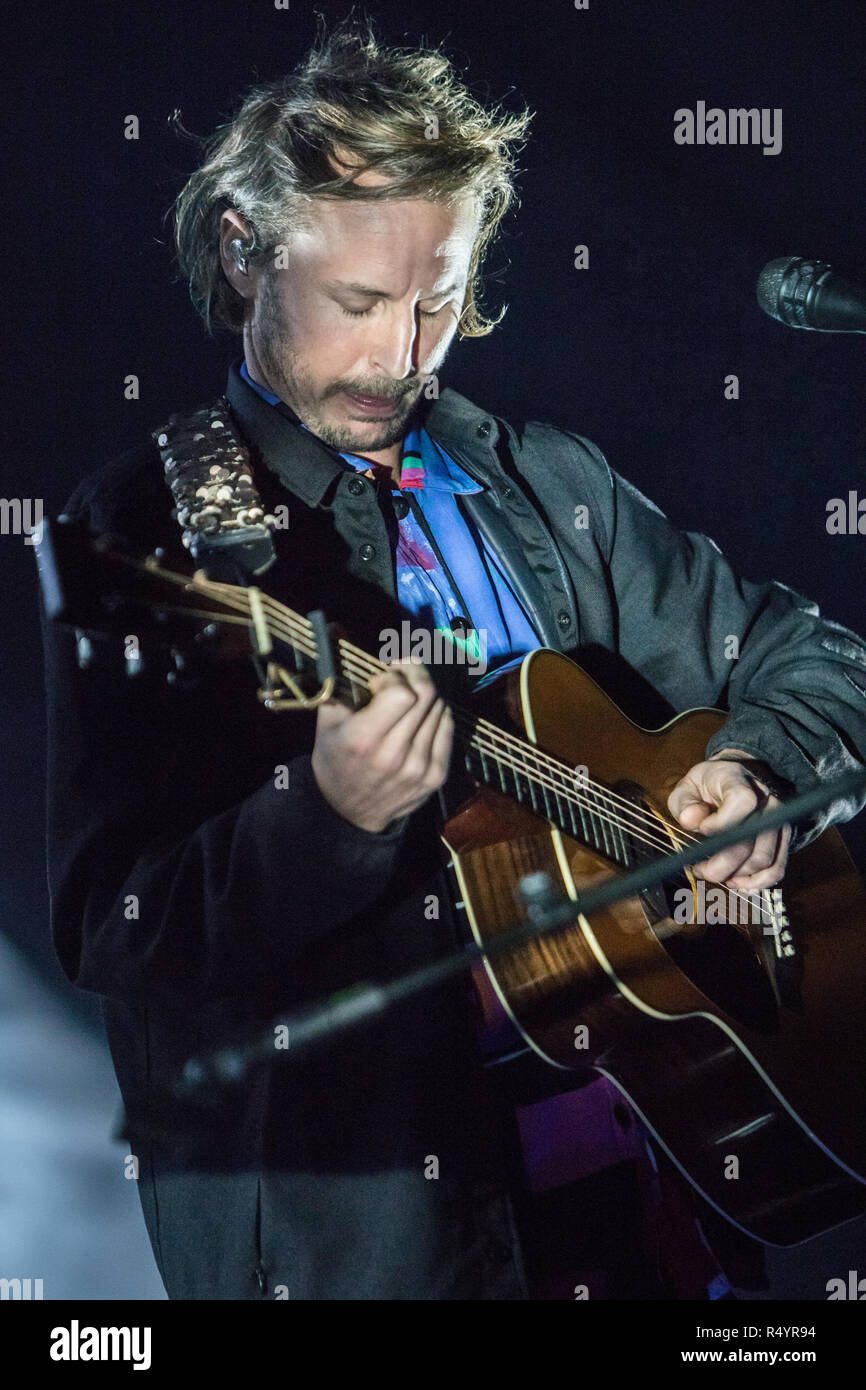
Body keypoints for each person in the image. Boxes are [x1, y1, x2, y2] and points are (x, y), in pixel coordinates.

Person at [41, 22, 866, 1300]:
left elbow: (811, 653)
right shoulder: (143, 530)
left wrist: (759, 764)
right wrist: (325, 818)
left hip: (656, 1198)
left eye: (438, 300)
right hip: (371, 1250)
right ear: (244, 255)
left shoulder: (538, 477)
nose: (400, 356)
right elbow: (115, 926)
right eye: (359, 304)